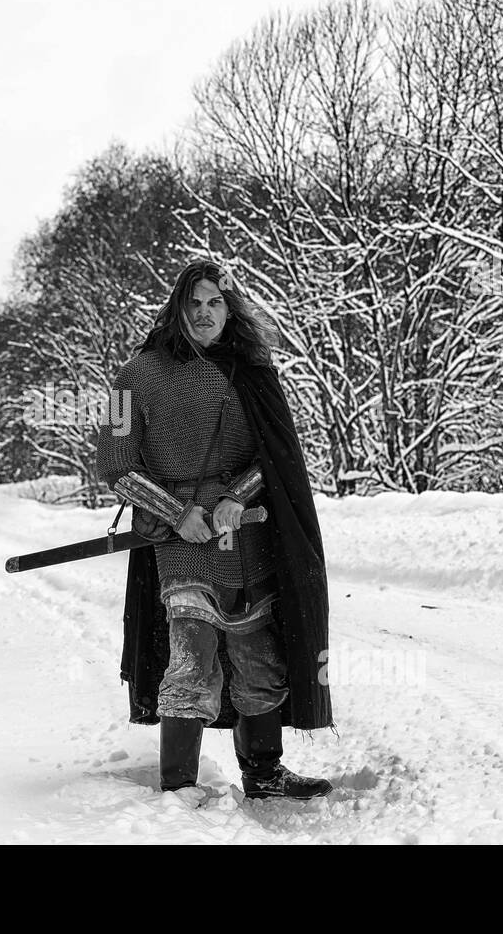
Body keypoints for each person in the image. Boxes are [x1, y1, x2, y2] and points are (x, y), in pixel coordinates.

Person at [96, 258, 335, 801]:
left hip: (245, 534)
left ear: (231, 310)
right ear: (177, 307)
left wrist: (235, 498)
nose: (204, 314)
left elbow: (275, 458)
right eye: (194, 303)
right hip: (179, 540)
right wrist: (177, 511)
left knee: (258, 657)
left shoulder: (252, 370)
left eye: (215, 303)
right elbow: (113, 465)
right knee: (192, 653)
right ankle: (178, 785)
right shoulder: (133, 375)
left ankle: (265, 775)